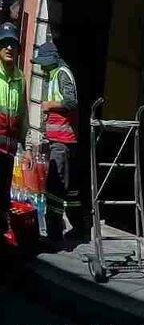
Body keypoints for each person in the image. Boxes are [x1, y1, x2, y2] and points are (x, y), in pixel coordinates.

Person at [32, 41, 82, 245]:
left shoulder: (62, 73)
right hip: (58, 140)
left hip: (63, 142)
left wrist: (49, 105)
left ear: (52, 60)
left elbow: (71, 102)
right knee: (69, 188)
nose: (41, 67)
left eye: (43, 63)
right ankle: (78, 226)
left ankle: (54, 234)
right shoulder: (53, 76)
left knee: (55, 187)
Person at [0, 22, 26, 239]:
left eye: (13, 44)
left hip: (9, 148)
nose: (9, 48)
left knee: (4, 190)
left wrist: (25, 145)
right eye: (5, 43)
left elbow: (23, 112)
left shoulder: (20, 78)